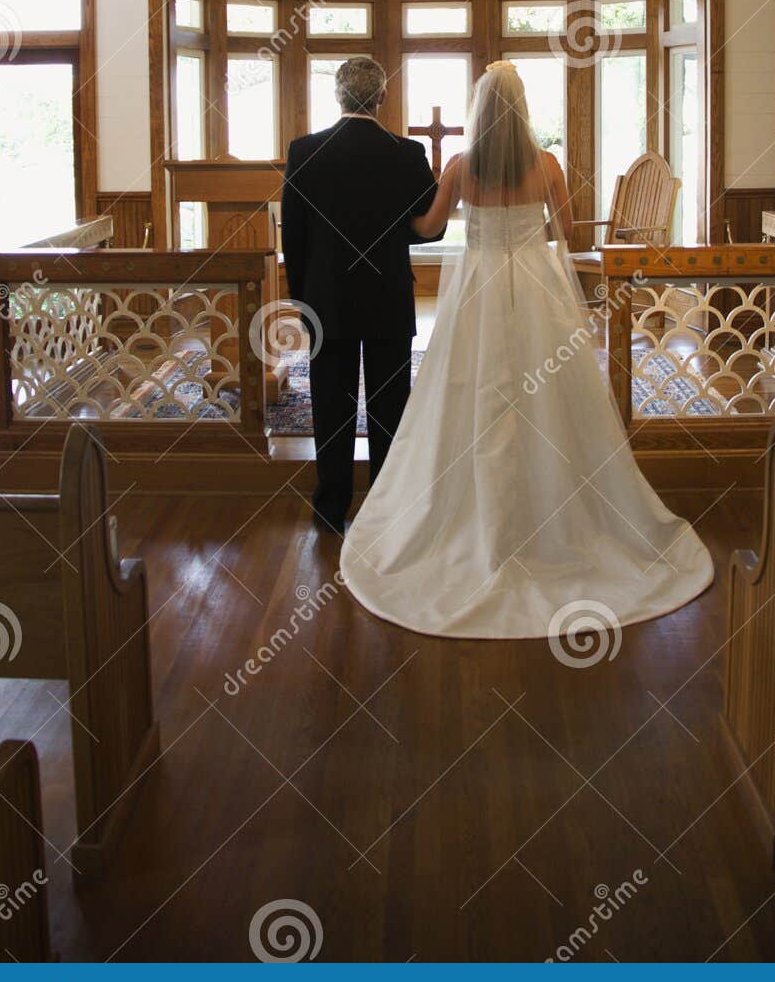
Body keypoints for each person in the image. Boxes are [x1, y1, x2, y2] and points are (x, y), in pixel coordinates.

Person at [339, 61, 713, 637]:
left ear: (480, 112)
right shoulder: (547, 166)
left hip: (476, 293)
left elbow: (426, 227)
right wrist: (527, 232)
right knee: (553, 396)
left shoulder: (462, 168)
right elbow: (569, 231)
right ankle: (556, 512)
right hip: (538, 289)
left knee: (471, 393)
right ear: (522, 111)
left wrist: (378, 216)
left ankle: (473, 517)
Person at [281, 55, 441, 535]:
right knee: (390, 405)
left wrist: (301, 296)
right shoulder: (406, 153)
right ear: (382, 96)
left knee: (331, 403)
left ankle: (330, 511)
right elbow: (427, 230)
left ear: (337, 95)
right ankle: (385, 511)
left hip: (325, 297)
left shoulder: (304, 150)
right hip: (388, 295)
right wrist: (392, 235)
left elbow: (294, 231)